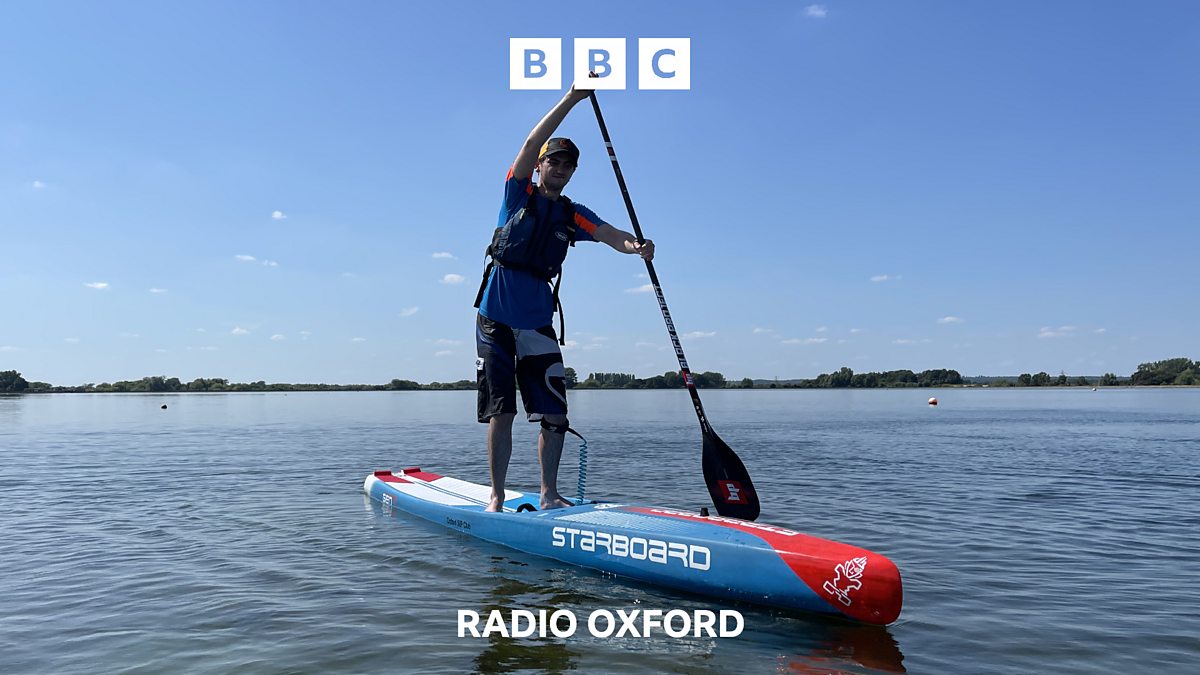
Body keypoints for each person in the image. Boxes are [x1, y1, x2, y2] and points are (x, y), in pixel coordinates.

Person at [475, 84, 654, 512]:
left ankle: (549, 493)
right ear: (539, 167)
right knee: (503, 412)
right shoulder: (518, 193)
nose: (561, 168)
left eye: (568, 164)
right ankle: (496, 496)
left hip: (537, 322)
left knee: (554, 414)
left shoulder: (572, 213)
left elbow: (611, 235)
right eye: (554, 161)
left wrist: (636, 248)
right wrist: (573, 98)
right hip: (495, 319)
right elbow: (531, 141)